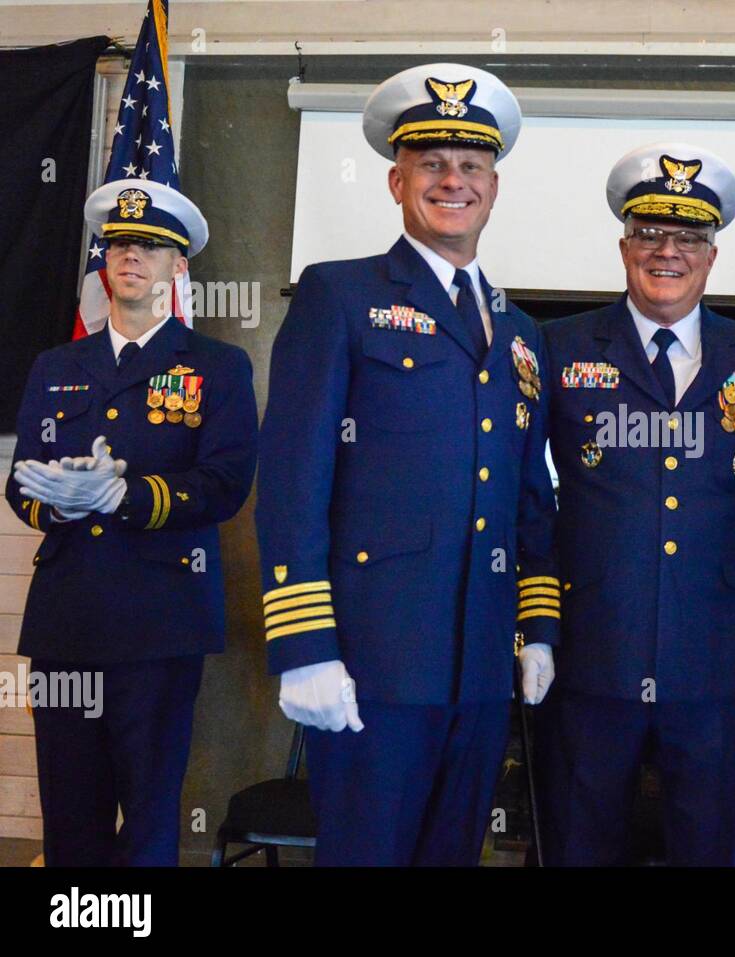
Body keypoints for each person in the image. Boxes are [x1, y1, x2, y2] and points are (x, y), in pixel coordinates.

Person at [255, 63, 559, 865]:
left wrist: (539, 628)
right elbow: (292, 478)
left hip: (482, 665)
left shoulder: (522, 330)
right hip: (371, 662)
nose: (452, 181)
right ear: (396, 181)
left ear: (494, 187)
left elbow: (530, 496)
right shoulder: (339, 296)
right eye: (432, 164)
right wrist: (303, 643)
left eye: (471, 166)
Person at [537, 143, 735, 865]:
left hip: (715, 663)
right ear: (624, 246)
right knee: (578, 847)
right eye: (649, 233)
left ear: (712, 257)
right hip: (590, 657)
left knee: (713, 851)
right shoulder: (557, 347)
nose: (667, 251)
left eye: (688, 238)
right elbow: (525, 493)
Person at [7, 179, 257, 865]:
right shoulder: (56, 365)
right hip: (67, 617)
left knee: (147, 812)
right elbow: (21, 480)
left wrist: (125, 497)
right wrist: (58, 500)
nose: (131, 255)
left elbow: (225, 484)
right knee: (69, 811)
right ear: (103, 260)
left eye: (150, 246)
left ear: (179, 267)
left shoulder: (217, 367)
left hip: (161, 620)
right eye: (118, 243)